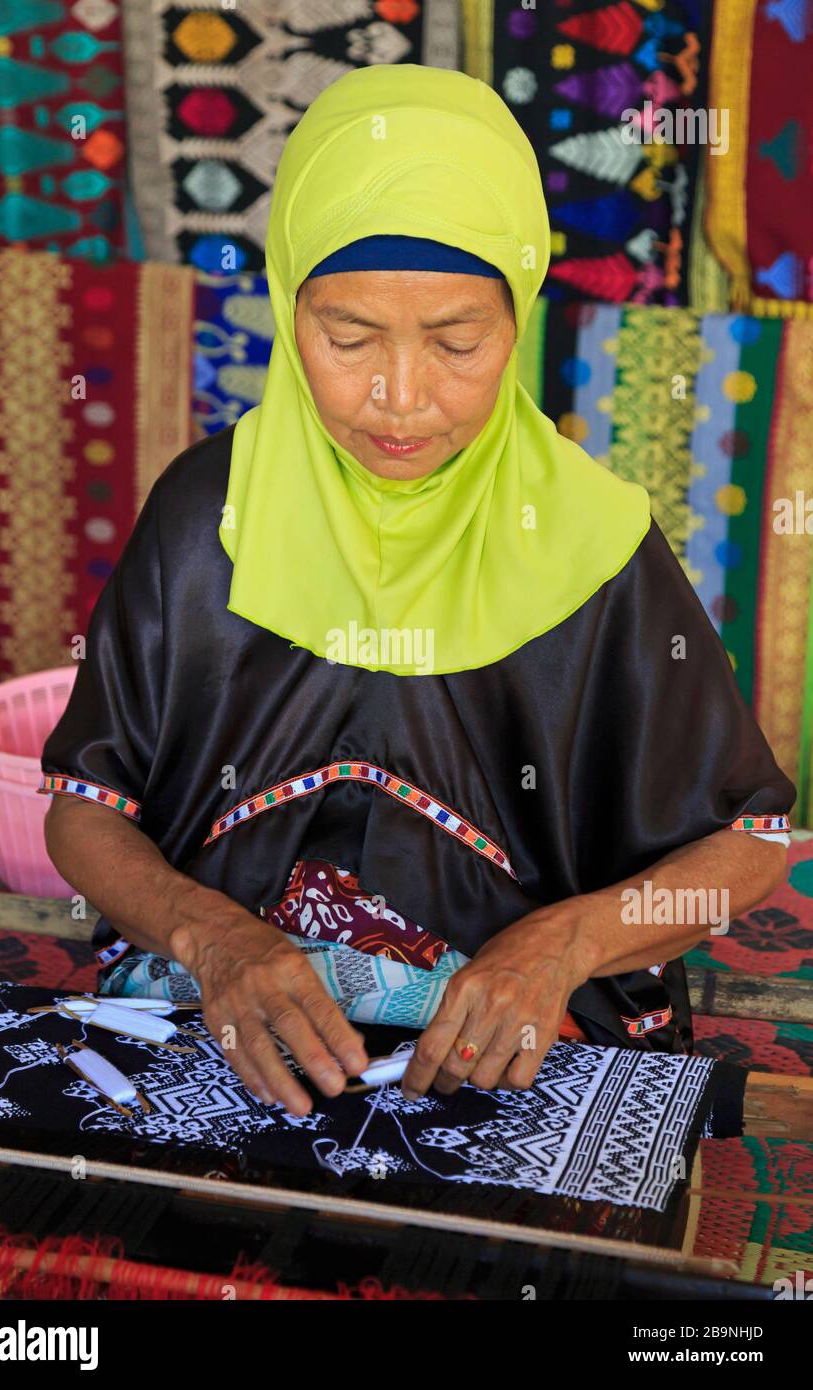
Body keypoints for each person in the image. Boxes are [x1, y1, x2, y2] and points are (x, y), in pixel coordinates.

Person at [40, 64, 794, 1119]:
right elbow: (85, 808)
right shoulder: (206, 514)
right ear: (285, 300)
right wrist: (214, 940)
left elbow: (749, 846)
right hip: (219, 1006)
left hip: (510, 1034)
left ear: (518, 315)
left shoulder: (593, 542)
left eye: (455, 341)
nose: (400, 398)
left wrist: (559, 942)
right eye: (346, 338)